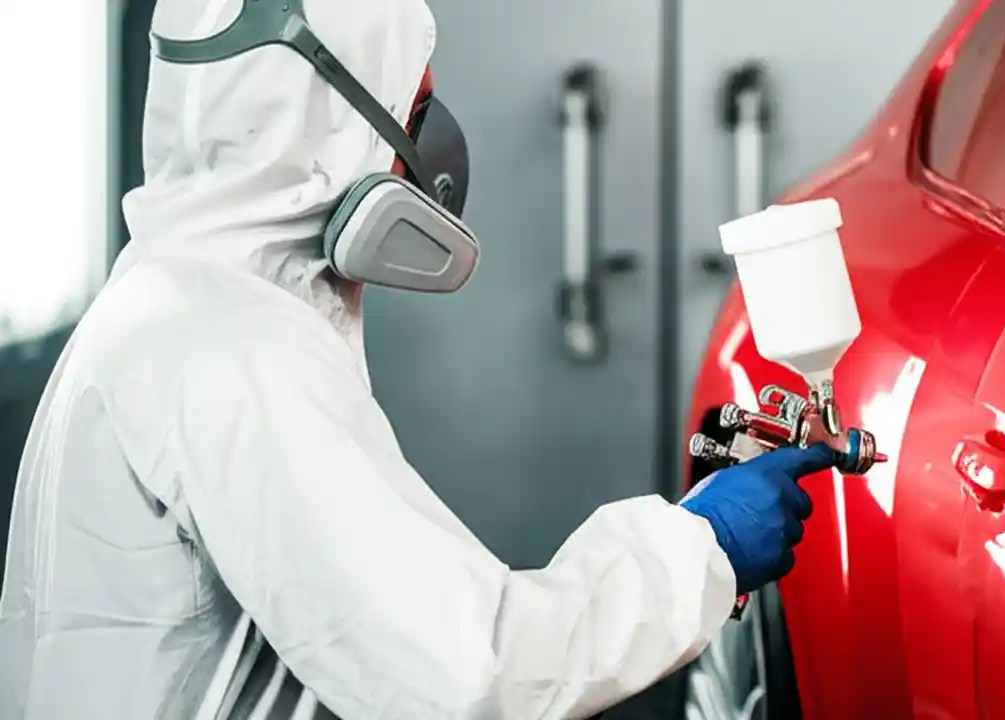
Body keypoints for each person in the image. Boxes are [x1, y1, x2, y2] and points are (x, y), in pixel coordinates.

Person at [0, 0, 838, 717]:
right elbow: (465, 675)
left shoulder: (165, 301)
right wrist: (701, 548)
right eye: (418, 107)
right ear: (329, 129)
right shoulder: (233, 355)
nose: (428, 145)